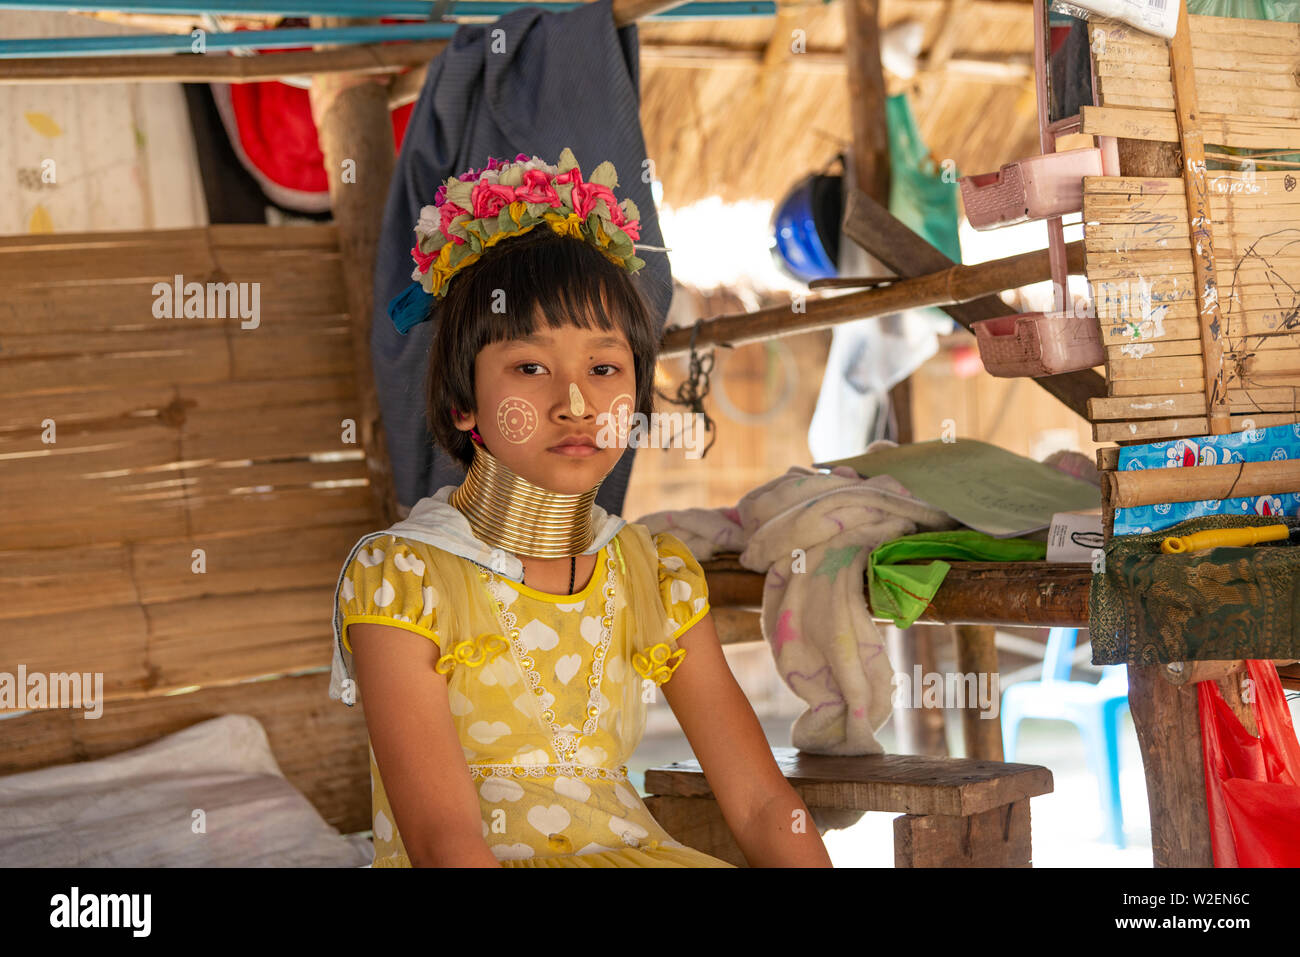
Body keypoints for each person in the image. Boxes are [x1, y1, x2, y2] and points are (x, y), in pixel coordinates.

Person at [329, 149, 832, 868]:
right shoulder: (403, 580)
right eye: (530, 368)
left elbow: (759, 803)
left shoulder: (651, 574)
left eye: (604, 368)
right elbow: (446, 844)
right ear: (463, 402)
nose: (575, 403)